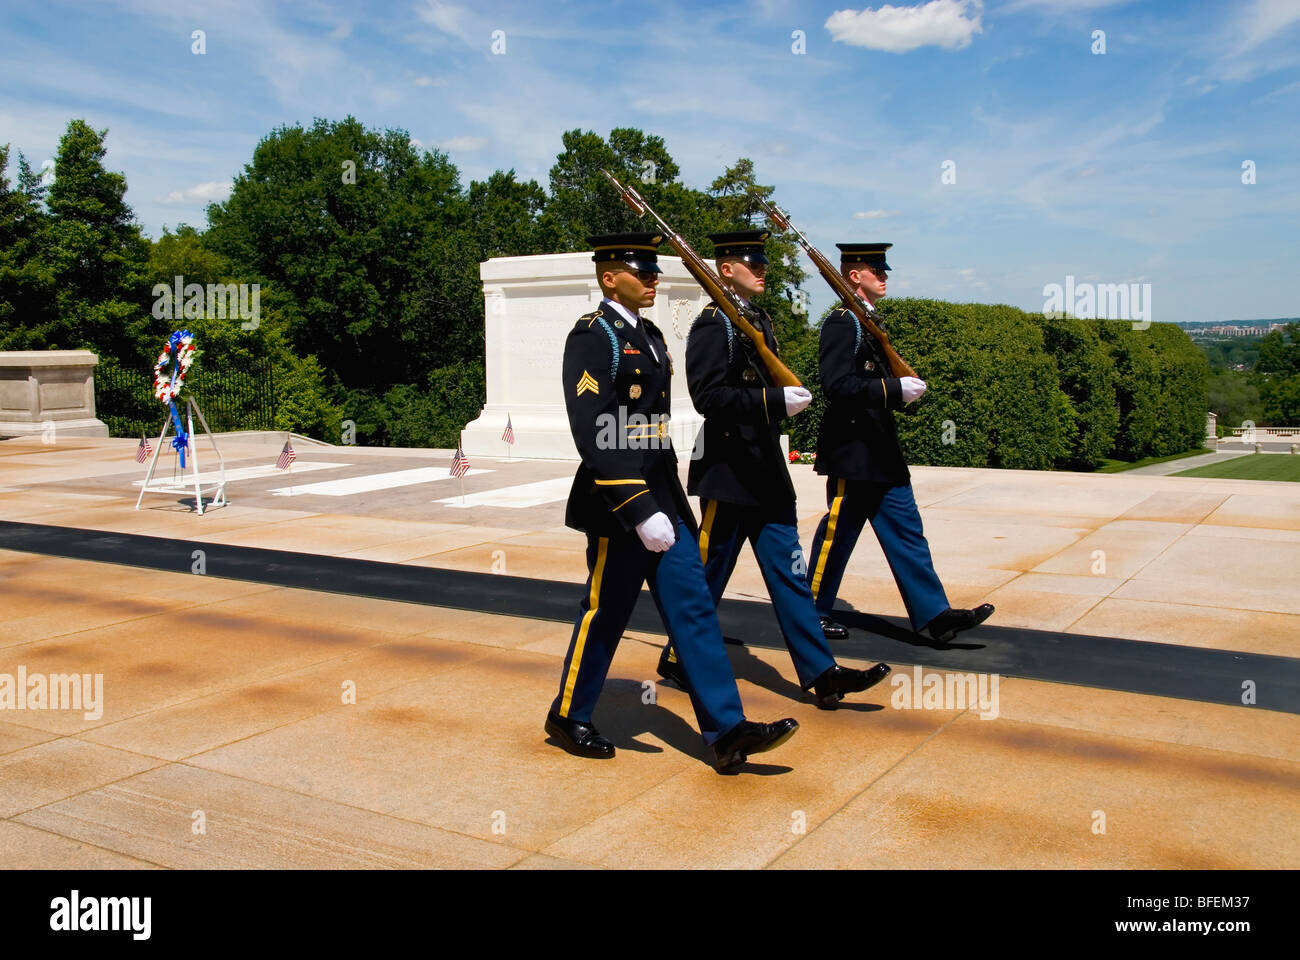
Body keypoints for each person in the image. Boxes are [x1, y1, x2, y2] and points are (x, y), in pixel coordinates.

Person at [545, 232, 799, 774]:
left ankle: (727, 731)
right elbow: (594, 431)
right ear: (610, 277)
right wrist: (639, 509)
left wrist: (668, 500)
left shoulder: (654, 336)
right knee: (606, 614)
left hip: (663, 499)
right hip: (619, 508)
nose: (655, 279)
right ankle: (569, 715)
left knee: (695, 611)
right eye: (644, 271)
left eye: (655, 270)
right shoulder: (595, 336)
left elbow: (653, 429)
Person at [655, 229, 890, 708]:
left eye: (764, 262)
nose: (763, 269)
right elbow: (708, 398)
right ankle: (680, 655)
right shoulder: (713, 324)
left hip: (766, 473)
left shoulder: (756, 318)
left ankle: (821, 673)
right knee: (706, 575)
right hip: (729, 471)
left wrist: (777, 404)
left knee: (790, 574)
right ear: (725, 269)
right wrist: (772, 401)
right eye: (752, 263)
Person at [807, 242, 994, 644]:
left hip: (880, 451)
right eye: (877, 271)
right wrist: (893, 390)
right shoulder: (843, 322)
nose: (885, 276)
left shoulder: (866, 320)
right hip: (852, 451)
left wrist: (899, 393)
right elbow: (836, 386)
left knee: (908, 531)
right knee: (838, 534)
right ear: (855, 276)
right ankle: (811, 612)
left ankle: (935, 614)